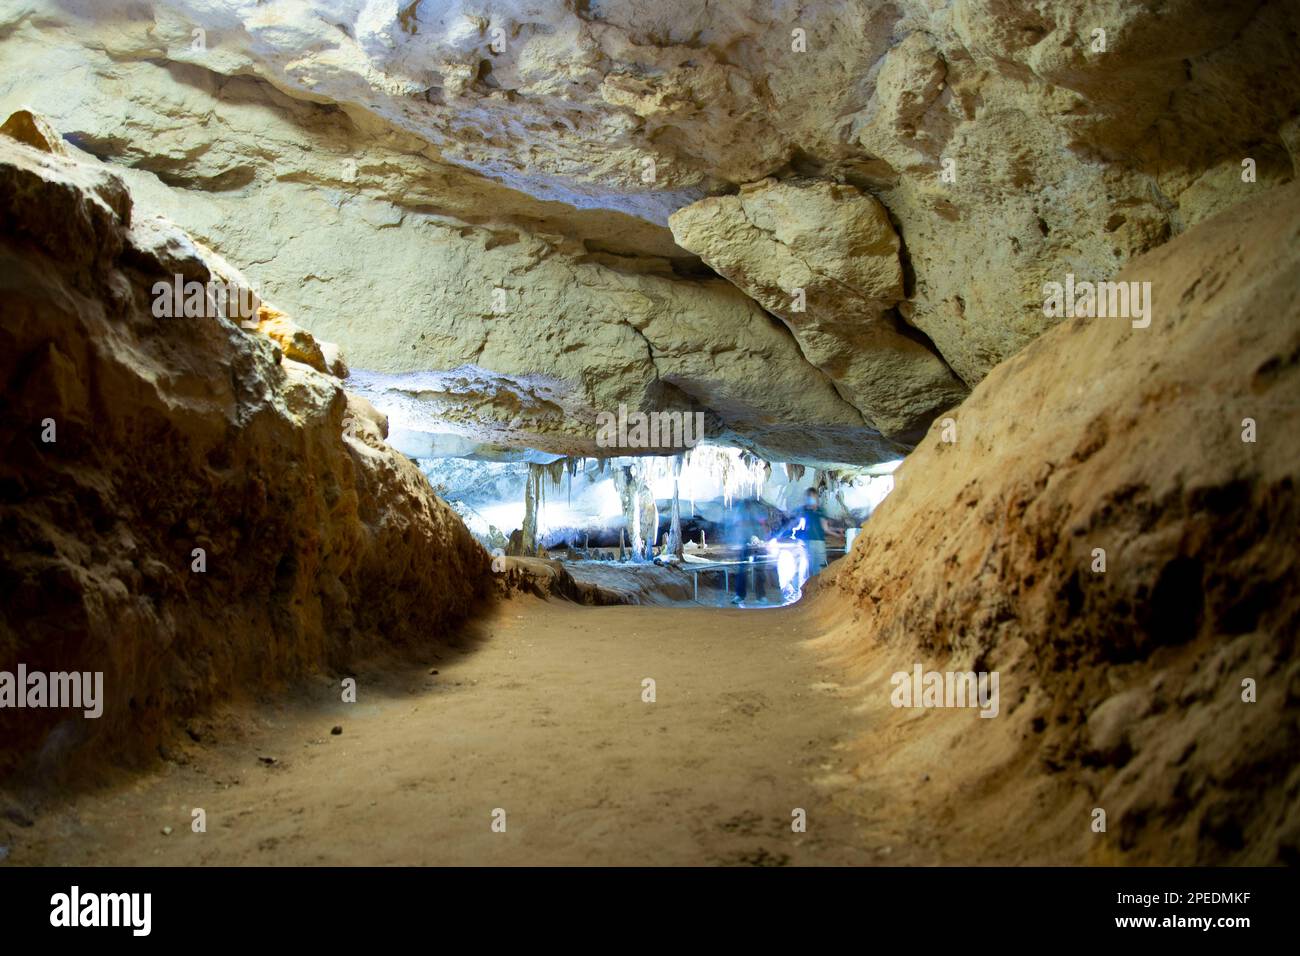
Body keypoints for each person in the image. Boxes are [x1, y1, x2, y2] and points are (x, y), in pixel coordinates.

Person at [730, 498, 768, 605]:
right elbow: (738, 523)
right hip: (745, 542)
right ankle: (740, 595)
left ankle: (761, 596)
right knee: (742, 568)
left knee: (759, 569)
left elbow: (763, 523)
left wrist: (763, 539)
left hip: (758, 542)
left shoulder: (759, 507)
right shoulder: (742, 507)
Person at [795, 488, 828, 576]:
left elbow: (825, 528)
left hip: (816, 542)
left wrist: (836, 532)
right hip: (808, 542)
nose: (812, 500)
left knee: (817, 568)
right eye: (810, 498)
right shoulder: (804, 511)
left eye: (813, 498)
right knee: (810, 568)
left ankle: (817, 587)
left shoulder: (819, 511)